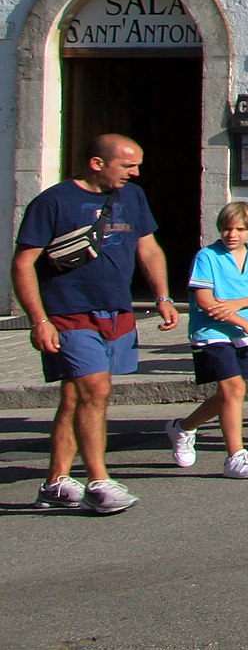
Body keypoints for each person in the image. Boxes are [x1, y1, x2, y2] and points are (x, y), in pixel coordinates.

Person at [11, 133, 181, 513]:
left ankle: (55, 482)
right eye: (127, 165)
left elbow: (148, 247)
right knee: (96, 390)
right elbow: (23, 264)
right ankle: (99, 482)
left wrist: (163, 297)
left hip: (116, 311)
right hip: (68, 312)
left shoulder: (132, 197)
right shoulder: (53, 201)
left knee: (75, 397)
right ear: (97, 163)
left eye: (137, 165)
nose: (135, 173)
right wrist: (38, 321)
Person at [166, 201, 248, 479]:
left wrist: (237, 306)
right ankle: (236, 456)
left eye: (240, 229)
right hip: (211, 333)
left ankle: (183, 427)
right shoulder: (206, 256)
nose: (232, 234)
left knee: (229, 394)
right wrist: (240, 319)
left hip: (244, 333)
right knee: (233, 389)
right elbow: (206, 302)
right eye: (227, 228)